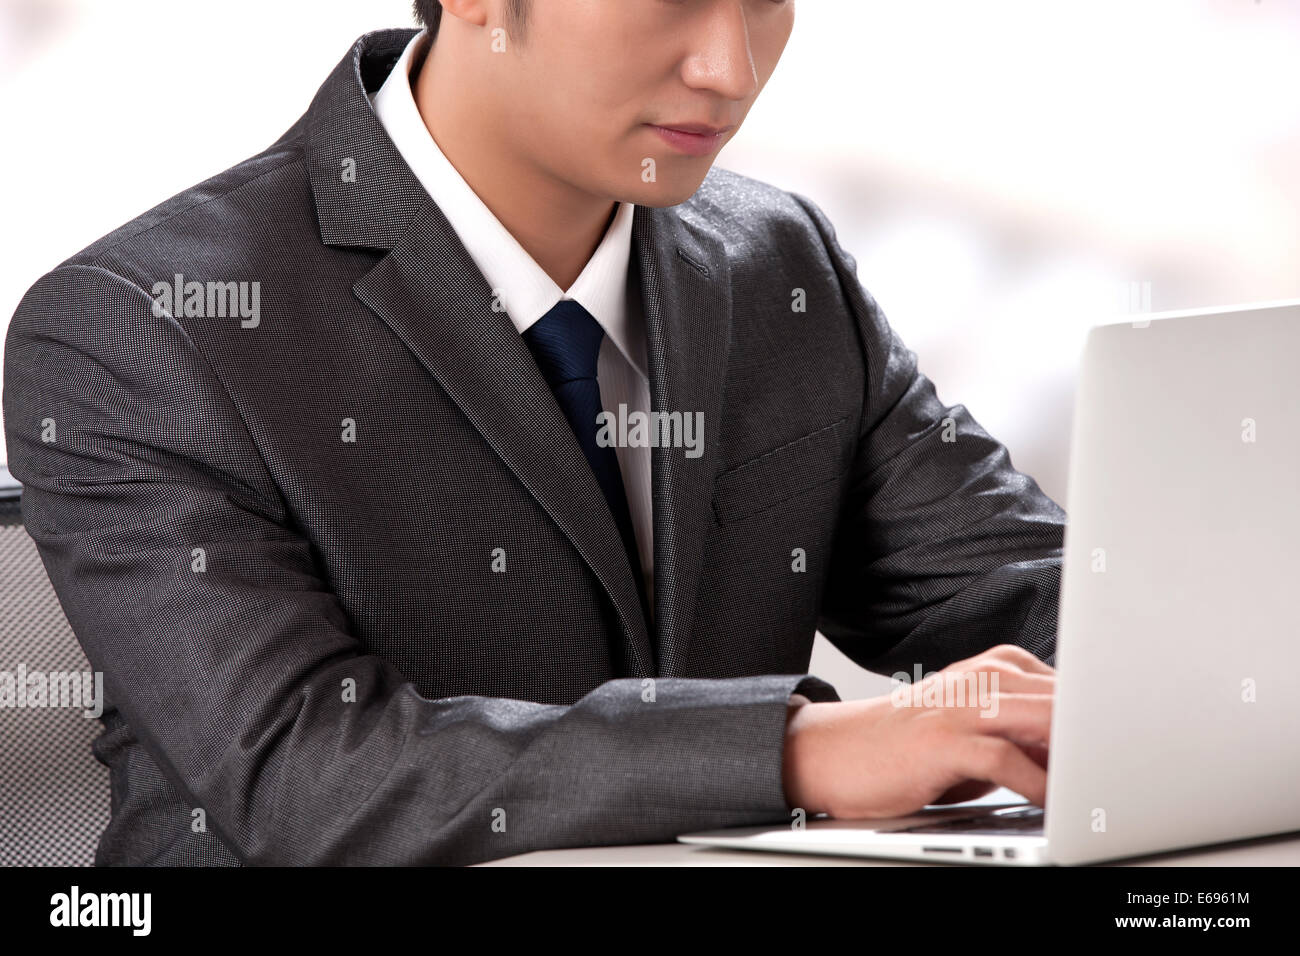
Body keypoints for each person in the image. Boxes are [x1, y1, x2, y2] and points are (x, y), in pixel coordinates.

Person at [2, 0, 1064, 866]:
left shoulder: (776, 262)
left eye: (767, 0)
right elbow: (306, 779)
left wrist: (1186, 644)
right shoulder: (141, 324)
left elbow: (1021, 586)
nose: (729, 67)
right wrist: (793, 752)